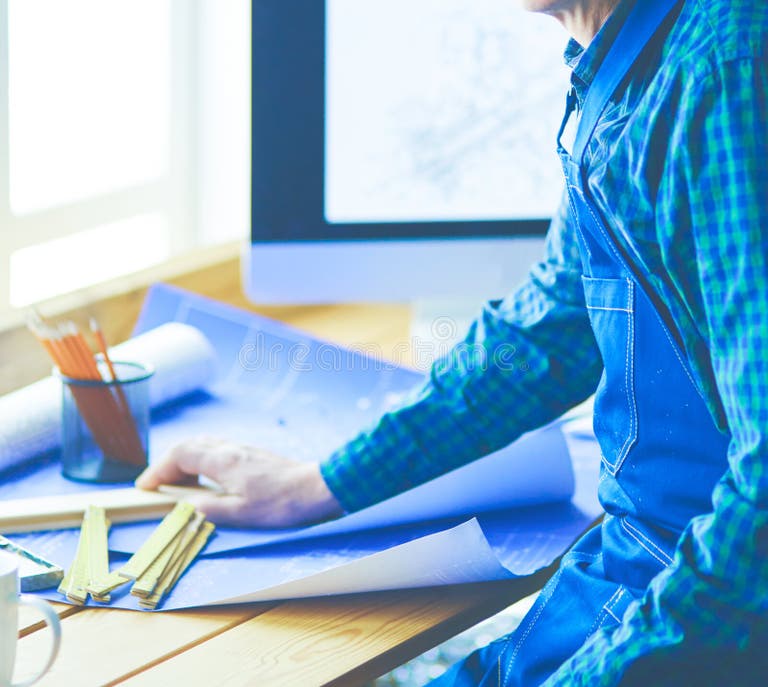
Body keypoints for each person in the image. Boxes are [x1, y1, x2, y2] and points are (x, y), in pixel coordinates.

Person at [136, 0, 768, 683]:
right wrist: (317, 484)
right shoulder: (622, 71)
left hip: (698, 603)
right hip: (639, 573)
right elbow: (538, 336)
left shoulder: (720, 69)